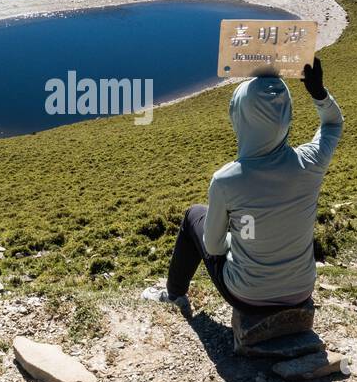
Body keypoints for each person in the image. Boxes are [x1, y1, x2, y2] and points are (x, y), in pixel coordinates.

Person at [147, 56, 343, 309]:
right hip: (301, 290)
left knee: (193, 216)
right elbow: (333, 123)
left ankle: (174, 296)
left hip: (248, 296)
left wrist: (241, 240)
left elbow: (214, 247)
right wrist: (319, 93)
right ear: (287, 116)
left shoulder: (226, 180)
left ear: (239, 116)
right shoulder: (311, 162)